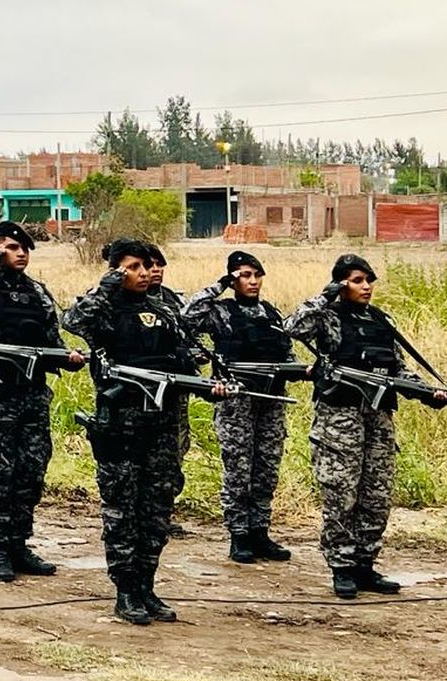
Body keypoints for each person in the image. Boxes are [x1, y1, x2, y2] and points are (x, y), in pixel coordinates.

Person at [62, 238, 215, 625]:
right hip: (120, 425)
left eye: (147, 266)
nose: (144, 273)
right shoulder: (103, 308)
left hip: (161, 425)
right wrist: (109, 285)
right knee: (123, 511)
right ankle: (126, 591)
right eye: (133, 267)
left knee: (156, 511)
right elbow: (73, 320)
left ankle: (146, 586)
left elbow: (184, 359)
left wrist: (207, 386)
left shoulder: (163, 310)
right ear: (116, 270)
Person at [285, 254, 447, 599]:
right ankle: (342, 567)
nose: (366, 287)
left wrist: (426, 393)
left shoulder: (380, 321)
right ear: (342, 284)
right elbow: (292, 327)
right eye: (357, 280)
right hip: (340, 419)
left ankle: (364, 564)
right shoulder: (328, 317)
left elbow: (397, 370)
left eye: (369, 280)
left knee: (376, 495)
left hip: (378, 419)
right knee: (341, 494)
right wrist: (327, 293)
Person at [0, 221, 83, 582]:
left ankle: (20, 543)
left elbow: (52, 340)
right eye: (11, 247)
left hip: (33, 394)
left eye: (24, 249)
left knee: (30, 472)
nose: (20, 253)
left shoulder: (38, 293)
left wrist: (65, 358)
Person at [182, 251, 293, 564]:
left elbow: (285, 351)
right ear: (233, 279)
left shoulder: (270, 313)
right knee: (238, 470)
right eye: (244, 275)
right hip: (236, 402)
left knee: (266, 469)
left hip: (270, 400)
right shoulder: (221, 311)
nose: (252, 281)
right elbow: (188, 315)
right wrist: (219, 286)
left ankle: (260, 531)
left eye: (257, 275)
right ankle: (238, 535)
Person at [145, 243, 191, 537]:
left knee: (175, 450)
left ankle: (163, 511)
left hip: (175, 391)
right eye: (149, 266)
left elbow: (189, 332)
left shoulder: (173, 300)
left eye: (160, 265)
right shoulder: (124, 300)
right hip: (144, 392)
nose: (156, 271)